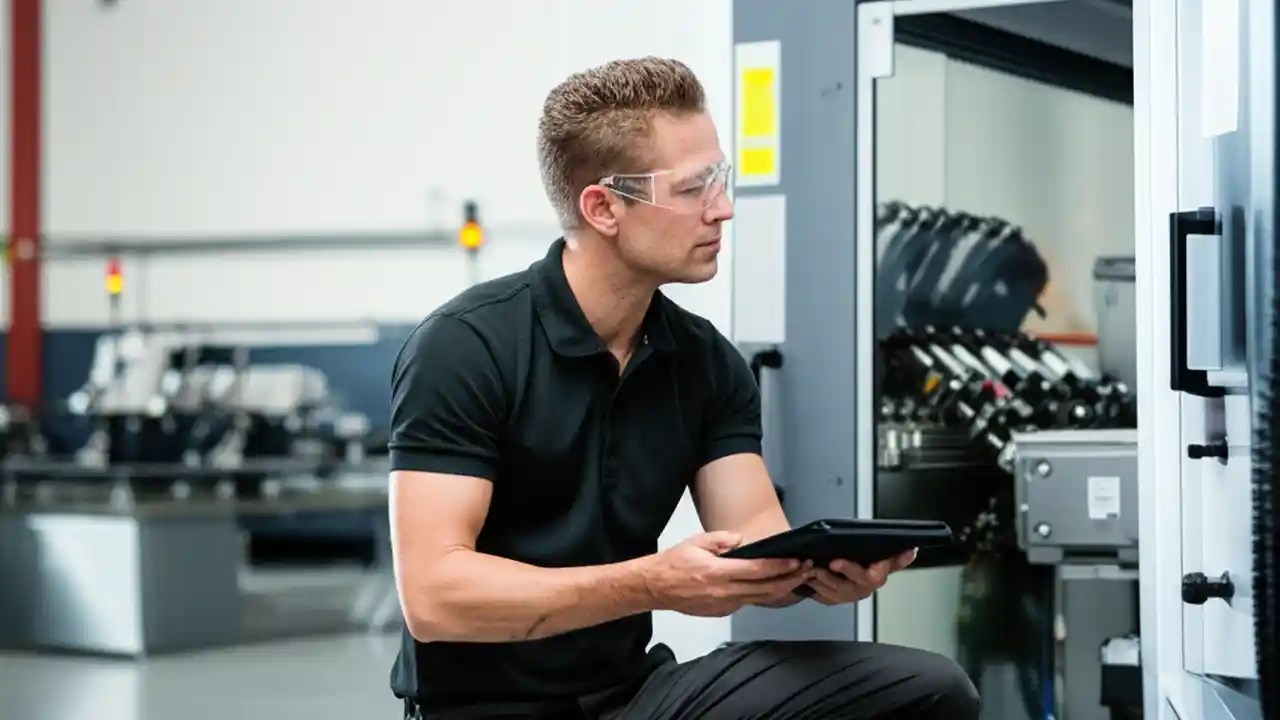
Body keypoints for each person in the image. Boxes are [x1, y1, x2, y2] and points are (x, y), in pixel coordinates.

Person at [386, 57, 981, 720]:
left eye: (720, 180)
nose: (722, 210)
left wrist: (813, 575)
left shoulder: (704, 361)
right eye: (696, 188)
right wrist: (655, 583)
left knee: (929, 689)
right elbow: (434, 598)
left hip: (634, 696)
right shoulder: (464, 348)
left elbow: (755, 536)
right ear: (604, 207)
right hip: (483, 711)